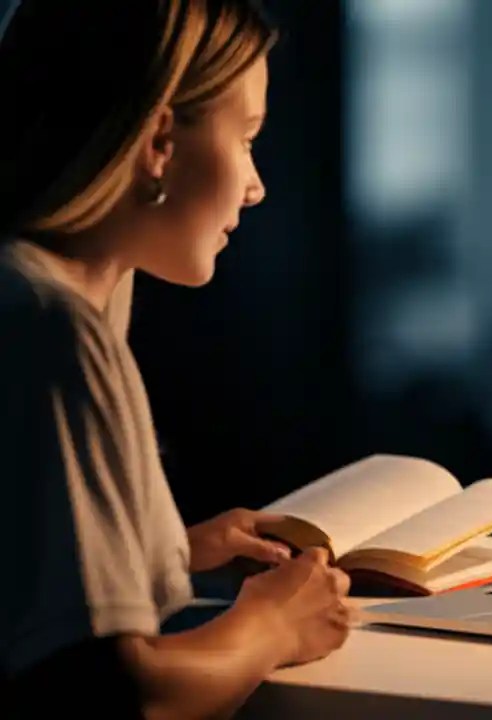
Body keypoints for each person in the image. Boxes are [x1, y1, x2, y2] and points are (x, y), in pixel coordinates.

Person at [0, 1, 350, 717]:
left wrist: (167, 552)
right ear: (160, 139)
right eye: (246, 138)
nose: (256, 186)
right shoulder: (51, 329)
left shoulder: (33, 297)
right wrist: (272, 625)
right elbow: (110, 692)